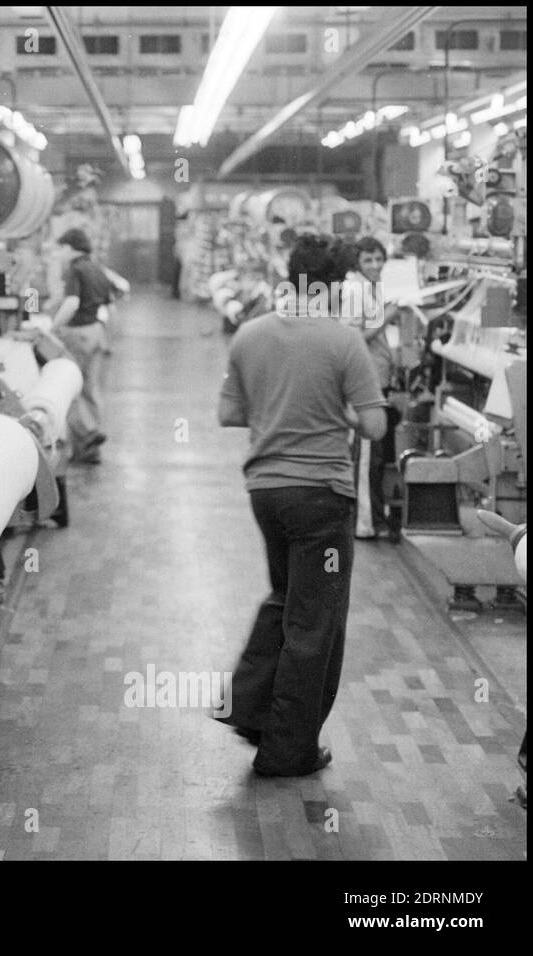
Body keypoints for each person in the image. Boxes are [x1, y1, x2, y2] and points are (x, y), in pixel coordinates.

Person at [215, 234, 388, 777]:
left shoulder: (249, 334)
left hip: (266, 493)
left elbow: (229, 413)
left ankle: (251, 710)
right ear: (336, 286)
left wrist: (279, 413)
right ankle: (288, 751)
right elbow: (376, 425)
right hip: (322, 496)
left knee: (285, 598)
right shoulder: (344, 342)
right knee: (316, 622)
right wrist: (339, 413)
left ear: (291, 276)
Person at [339, 236, 402, 541]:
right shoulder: (355, 290)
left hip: (379, 380)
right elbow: (353, 337)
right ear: (358, 263)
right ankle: (364, 522)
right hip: (365, 383)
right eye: (368, 260)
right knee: (365, 457)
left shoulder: (373, 288)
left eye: (379, 259)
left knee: (375, 456)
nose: (375, 265)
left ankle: (374, 517)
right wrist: (386, 316)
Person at [51, 228, 126, 464]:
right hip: (96, 331)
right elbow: (111, 306)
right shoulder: (97, 269)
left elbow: (71, 303)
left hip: (77, 333)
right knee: (90, 387)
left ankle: (85, 439)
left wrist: (52, 327)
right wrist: (110, 337)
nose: (59, 254)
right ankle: (92, 438)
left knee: (72, 388)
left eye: (61, 248)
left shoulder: (75, 270)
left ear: (71, 248)